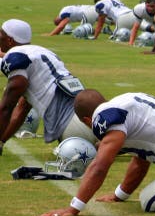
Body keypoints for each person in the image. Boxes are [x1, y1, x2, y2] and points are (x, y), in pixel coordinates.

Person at [0, 19, 94, 155]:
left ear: (10, 40)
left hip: (71, 129)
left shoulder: (15, 58)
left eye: (1, 34)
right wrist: (2, 141)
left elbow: (7, 108)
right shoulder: (43, 52)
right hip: (91, 119)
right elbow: (22, 109)